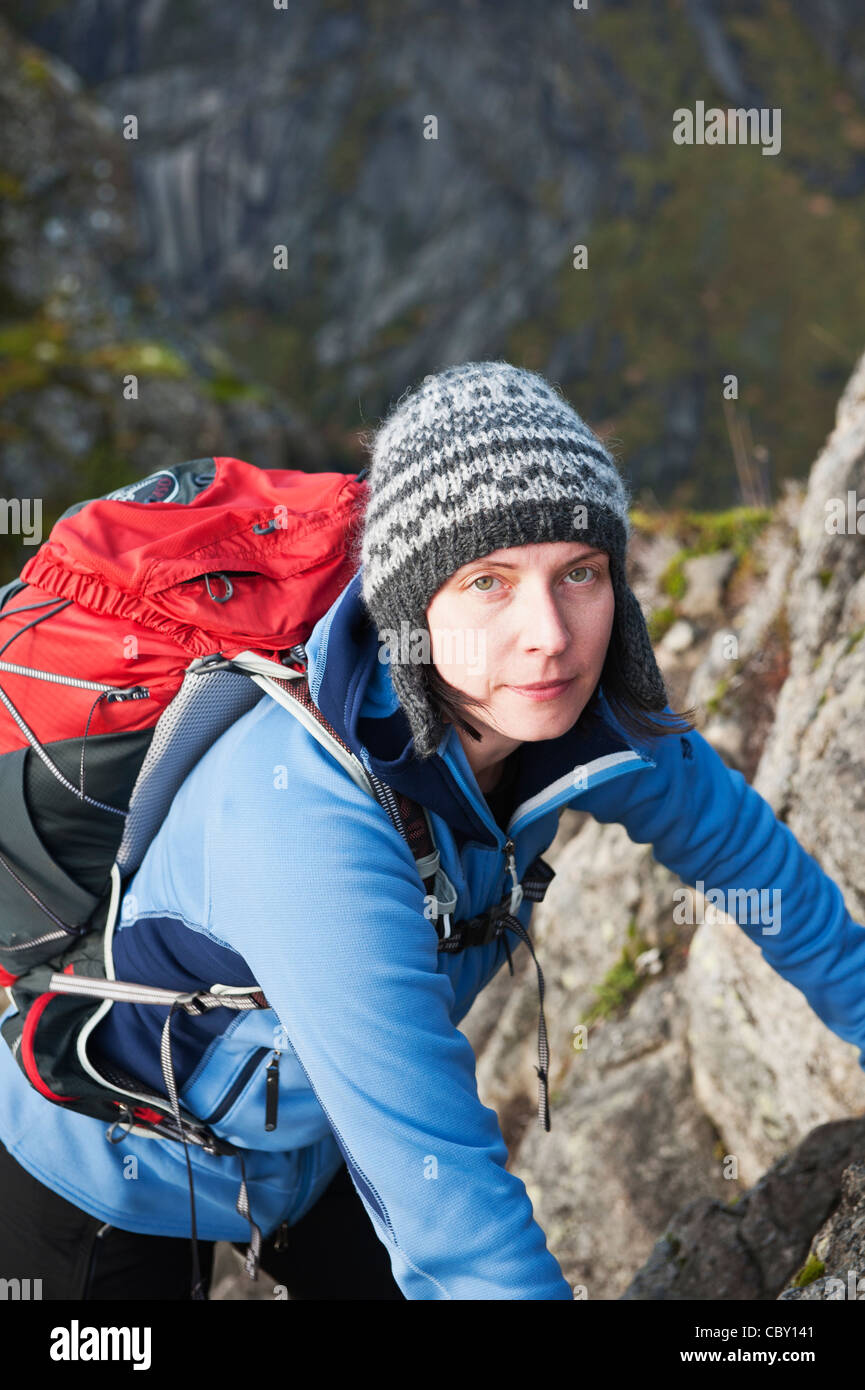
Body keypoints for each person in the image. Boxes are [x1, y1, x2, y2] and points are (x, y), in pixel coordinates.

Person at [2, 360, 864, 1301]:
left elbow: (755, 869)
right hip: (104, 1164)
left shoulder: (580, 699)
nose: (548, 633)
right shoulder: (305, 822)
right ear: (409, 605)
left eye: (580, 571)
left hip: (322, 1140)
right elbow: (453, 1221)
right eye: (487, 581)